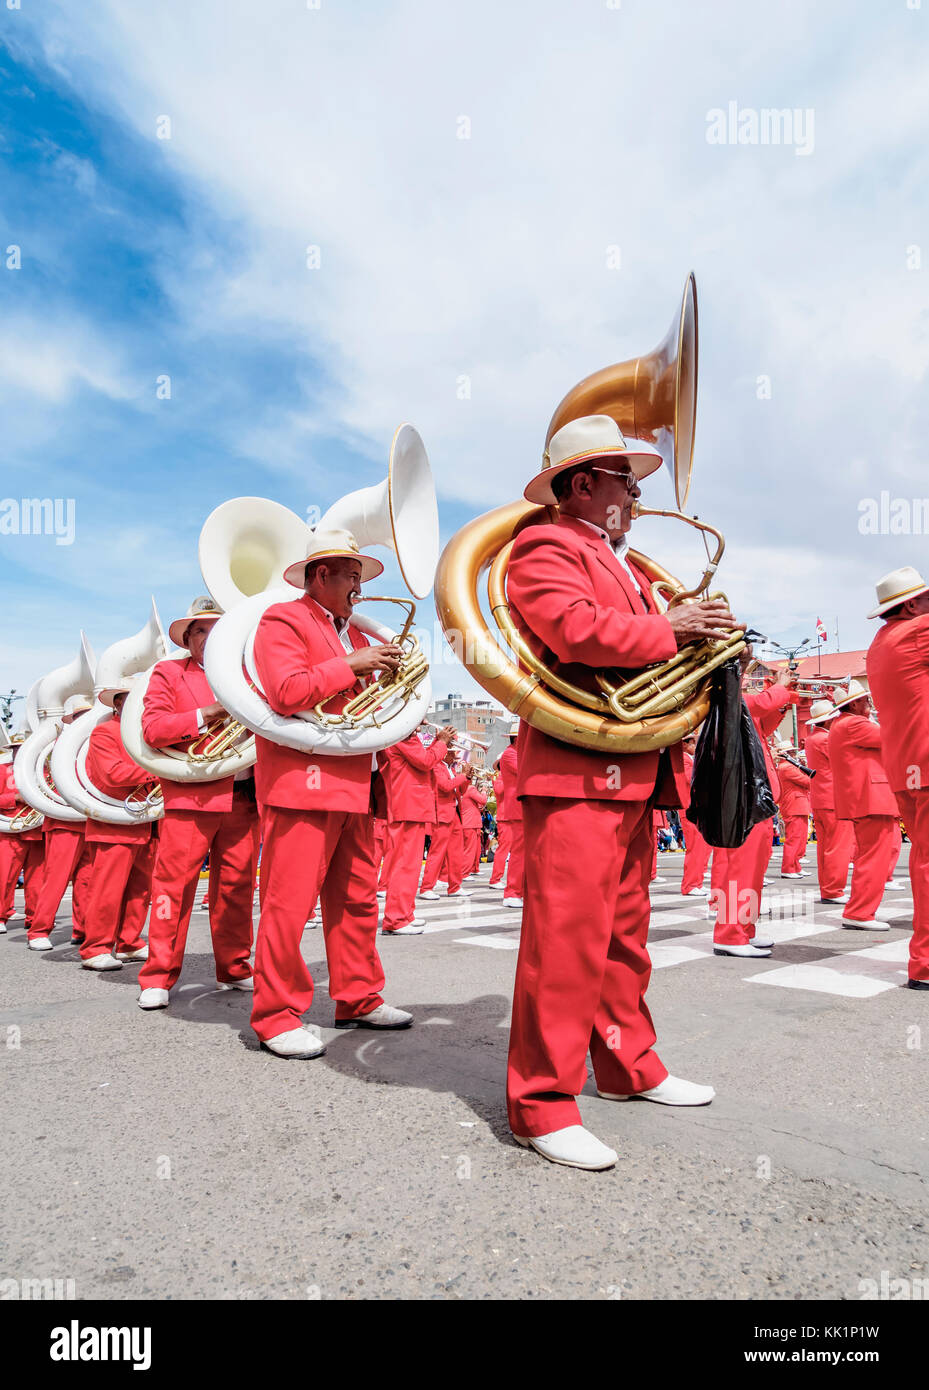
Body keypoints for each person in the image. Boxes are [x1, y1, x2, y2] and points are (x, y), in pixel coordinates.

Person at [504, 414, 737, 1170]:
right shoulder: (545, 544)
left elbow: (644, 642)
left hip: (632, 766)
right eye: (624, 481)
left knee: (621, 939)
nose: (637, 494)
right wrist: (674, 628)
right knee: (564, 942)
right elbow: (573, 631)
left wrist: (702, 641)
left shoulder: (630, 566)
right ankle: (540, 1103)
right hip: (575, 768)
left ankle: (627, 1067)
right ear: (582, 485)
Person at [249, 529, 414, 1059]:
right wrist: (353, 666)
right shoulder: (284, 619)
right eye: (351, 576)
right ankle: (275, 1015)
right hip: (303, 783)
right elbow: (286, 691)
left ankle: (358, 998)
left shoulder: (357, 635)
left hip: (355, 783)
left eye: (360, 578)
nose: (358, 589)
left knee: (356, 902)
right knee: (288, 904)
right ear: (320, 574)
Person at [136, 597, 260, 1010]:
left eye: (218, 628)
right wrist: (208, 712)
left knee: (237, 889)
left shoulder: (251, 672)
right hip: (192, 796)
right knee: (174, 887)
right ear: (188, 640)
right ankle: (158, 975)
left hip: (244, 798)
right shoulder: (169, 673)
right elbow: (153, 729)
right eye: (201, 630)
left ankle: (235, 966)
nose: (210, 637)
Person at [709, 656, 798, 957]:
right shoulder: (723, 695)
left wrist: (783, 699)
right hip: (743, 797)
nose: (745, 679)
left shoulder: (740, 704)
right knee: (740, 870)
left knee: (752, 870)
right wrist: (782, 688)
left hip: (754, 797)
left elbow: (764, 721)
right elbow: (759, 705)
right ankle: (730, 935)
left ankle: (745, 929)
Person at [866, 566, 929, 983]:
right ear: (910, 605)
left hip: (908, 769)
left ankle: (924, 961)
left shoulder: (879, 644)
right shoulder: (919, 631)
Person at [78, 682, 158, 971]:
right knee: (108, 889)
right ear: (118, 703)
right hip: (114, 822)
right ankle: (95, 947)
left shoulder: (143, 733)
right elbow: (113, 774)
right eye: (132, 699)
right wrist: (160, 770)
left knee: (141, 890)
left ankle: (129, 943)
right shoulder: (104, 732)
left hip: (145, 821)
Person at [828, 679, 899, 932]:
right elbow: (893, 737)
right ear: (855, 704)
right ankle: (860, 912)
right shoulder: (854, 723)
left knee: (873, 856)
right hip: (871, 798)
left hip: (870, 797)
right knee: (874, 859)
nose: (869, 703)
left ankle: (860, 910)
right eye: (866, 700)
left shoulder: (845, 724)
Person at [26, 697, 95, 951]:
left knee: (87, 880)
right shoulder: (59, 745)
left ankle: (83, 929)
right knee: (56, 878)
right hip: (64, 821)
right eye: (80, 716)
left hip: (89, 819)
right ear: (72, 720)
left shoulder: (93, 742)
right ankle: (39, 930)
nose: (85, 720)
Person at [376, 720, 456, 935]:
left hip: (408, 805)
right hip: (409, 805)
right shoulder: (402, 734)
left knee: (407, 865)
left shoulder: (400, 735)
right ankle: (396, 919)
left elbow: (421, 759)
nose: (420, 727)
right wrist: (441, 743)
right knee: (405, 865)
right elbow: (425, 761)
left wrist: (436, 745)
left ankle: (405, 913)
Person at [804, 699, 852, 904]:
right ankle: (834, 890)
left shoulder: (812, 738)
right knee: (839, 846)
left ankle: (828, 888)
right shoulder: (825, 739)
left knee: (825, 847)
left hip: (821, 797)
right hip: (834, 797)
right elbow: (845, 761)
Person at [0, 739, 45, 933]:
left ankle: (34, 919)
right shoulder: (2, 770)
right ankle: (1, 916)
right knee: (5, 877)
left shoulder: (44, 772)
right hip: (9, 830)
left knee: (37, 880)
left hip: (36, 829)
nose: (23, 751)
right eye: (18, 748)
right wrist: (15, 798)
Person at [418, 746, 471, 899]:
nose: (456, 754)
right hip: (441, 814)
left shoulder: (450, 768)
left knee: (456, 853)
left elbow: (460, 791)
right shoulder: (436, 767)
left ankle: (455, 886)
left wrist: (466, 778)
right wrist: (462, 776)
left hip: (453, 813)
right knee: (437, 852)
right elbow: (445, 786)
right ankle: (426, 887)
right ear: (446, 753)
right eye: (453, 751)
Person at [680, 733, 711, 896]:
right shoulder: (684, 759)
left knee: (701, 847)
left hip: (697, 808)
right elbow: (691, 779)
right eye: (692, 743)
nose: (695, 746)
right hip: (691, 808)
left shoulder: (689, 759)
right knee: (695, 848)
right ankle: (690, 884)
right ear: (685, 744)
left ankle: (696, 882)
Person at [775, 743, 813, 878]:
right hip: (794, 805)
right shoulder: (786, 768)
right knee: (794, 839)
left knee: (801, 839)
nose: (793, 754)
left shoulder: (789, 766)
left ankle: (796, 866)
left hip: (799, 804)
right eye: (790, 752)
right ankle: (788, 868)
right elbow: (808, 782)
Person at [498, 721, 524, 907]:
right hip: (517, 807)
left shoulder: (517, 753)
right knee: (518, 852)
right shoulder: (509, 754)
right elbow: (525, 771)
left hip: (523, 807)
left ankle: (519, 890)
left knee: (524, 852)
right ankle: (512, 892)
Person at [460, 767, 488, 877]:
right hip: (470, 822)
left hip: (472, 822)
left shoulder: (466, 788)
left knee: (476, 849)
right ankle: (464, 873)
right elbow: (483, 800)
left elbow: (479, 806)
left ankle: (474, 868)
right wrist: (484, 791)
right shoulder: (470, 788)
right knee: (469, 850)